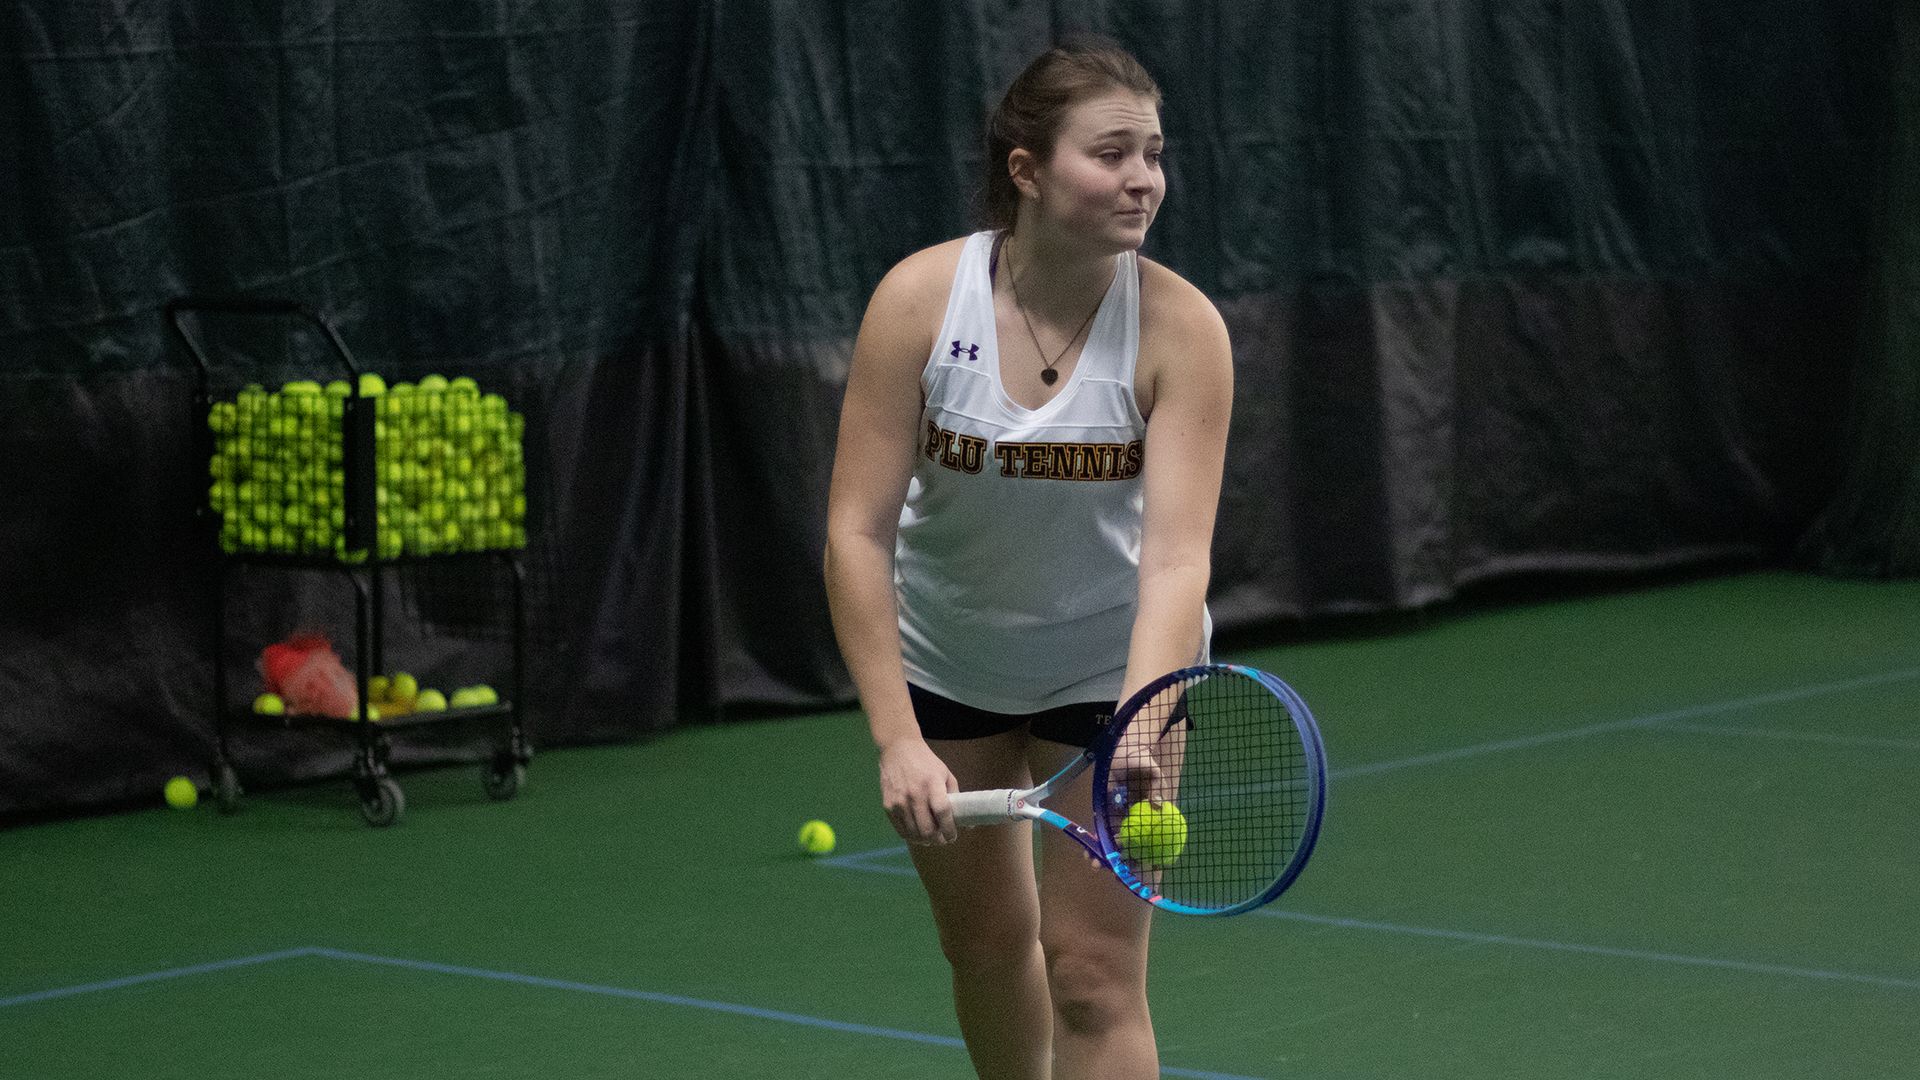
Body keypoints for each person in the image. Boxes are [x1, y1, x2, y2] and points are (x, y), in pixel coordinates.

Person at [823, 38, 1232, 1080]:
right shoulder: (919, 304)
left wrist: (1145, 714)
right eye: (1112, 153)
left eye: (1155, 153)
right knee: (986, 947)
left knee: (1093, 972)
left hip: (1113, 674)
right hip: (949, 664)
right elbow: (856, 535)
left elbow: (1178, 562)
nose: (1144, 177)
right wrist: (895, 739)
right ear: (1028, 169)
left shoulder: (1182, 331)